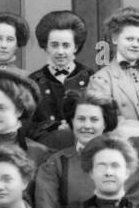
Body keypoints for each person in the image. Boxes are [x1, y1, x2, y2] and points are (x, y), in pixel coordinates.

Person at [33, 90, 139, 208]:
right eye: (81, 119)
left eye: (94, 120)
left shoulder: (126, 160)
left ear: (105, 123)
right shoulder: (56, 163)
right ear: (72, 121)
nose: (87, 126)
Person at [85, 5, 139, 138]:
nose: (135, 44)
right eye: (129, 39)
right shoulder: (100, 80)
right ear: (114, 39)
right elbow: (112, 127)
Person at [27, 9, 95, 144]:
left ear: (75, 47)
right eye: (54, 45)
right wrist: (55, 127)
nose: (60, 52)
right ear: (45, 47)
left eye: (66, 45)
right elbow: (27, 124)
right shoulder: (33, 81)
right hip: (46, 148)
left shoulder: (90, 77)